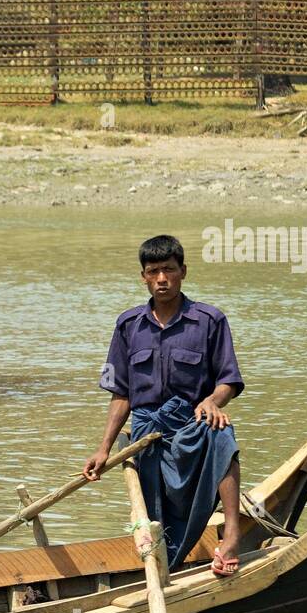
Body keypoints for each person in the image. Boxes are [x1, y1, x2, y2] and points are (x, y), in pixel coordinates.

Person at [83, 235, 245, 576]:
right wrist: (104, 449)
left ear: (183, 272)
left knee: (221, 433)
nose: (161, 279)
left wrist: (212, 402)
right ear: (142, 276)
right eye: (153, 271)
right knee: (158, 525)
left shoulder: (210, 320)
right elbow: (121, 393)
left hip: (191, 423)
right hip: (146, 432)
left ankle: (231, 534)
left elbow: (228, 379)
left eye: (168, 270)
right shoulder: (128, 326)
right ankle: (161, 565)